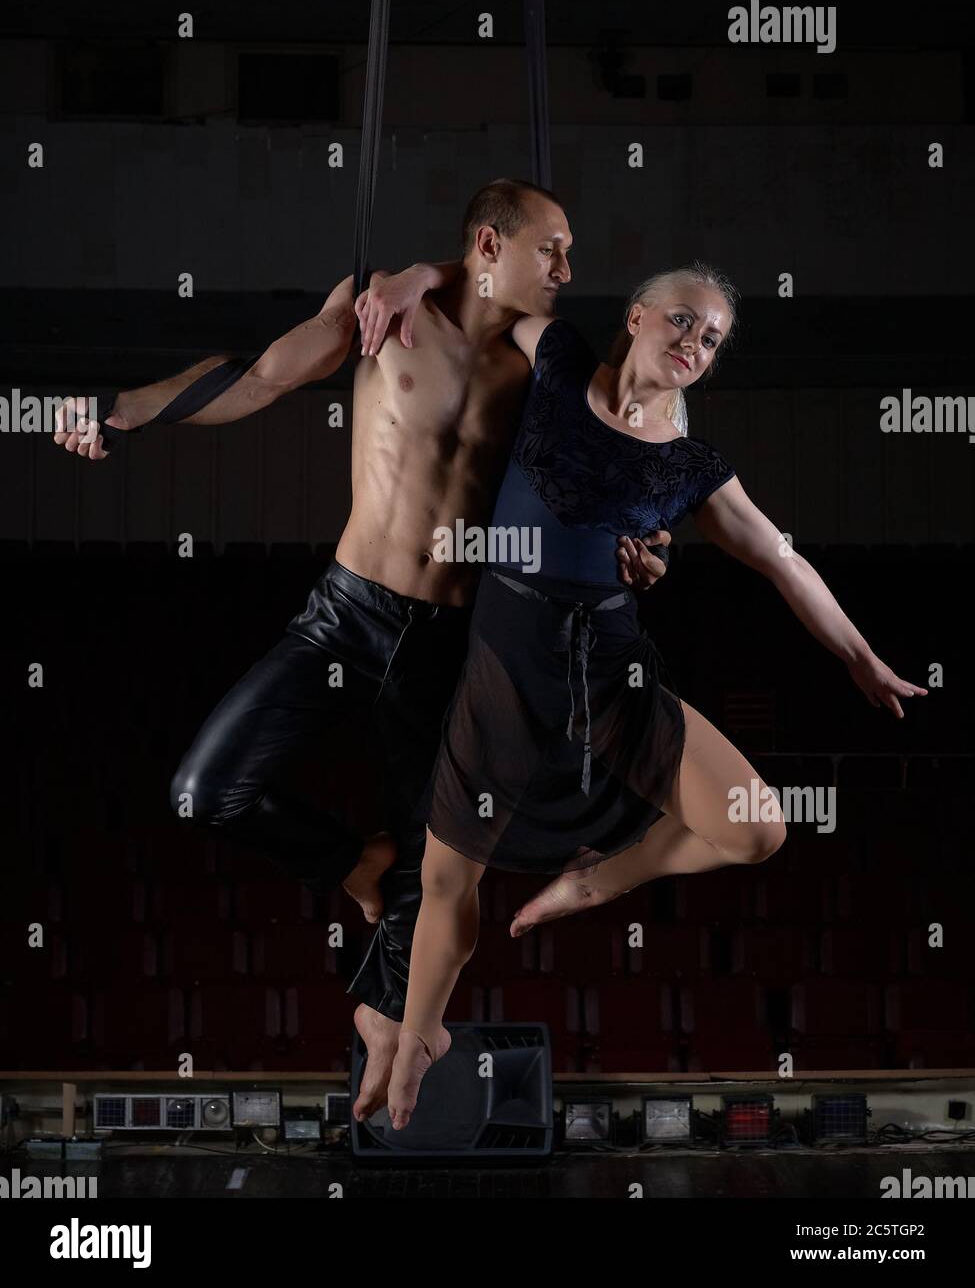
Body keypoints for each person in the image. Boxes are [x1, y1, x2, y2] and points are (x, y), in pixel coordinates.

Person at [50, 179, 669, 1118]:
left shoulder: (545, 370)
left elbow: (614, 470)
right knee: (204, 793)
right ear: (491, 245)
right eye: (552, 250)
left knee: (443, 864)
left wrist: (643, 548)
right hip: (344, 616)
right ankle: (353, 865)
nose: (567, 271)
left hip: (451, 642)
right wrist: (123, 409)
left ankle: (394, 1027)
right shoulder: (381, 316)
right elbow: (255, 375)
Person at [382, 262, 929, 1130]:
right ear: (635, 319)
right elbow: (488, 295)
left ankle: (592, 885)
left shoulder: (691, 465)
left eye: (710, 339)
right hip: (506, 654)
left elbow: (782, 558)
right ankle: (417, 1039)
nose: (692, 344)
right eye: (680, 321)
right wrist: (414, 279)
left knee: (758, 826)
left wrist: (858, 655)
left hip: (607, 662)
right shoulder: (557, 361)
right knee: (448, 879)